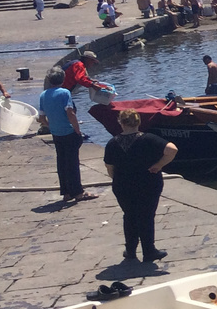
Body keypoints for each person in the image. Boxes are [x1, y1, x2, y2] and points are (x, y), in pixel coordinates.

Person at [103, 108, 176, 263]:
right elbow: (172, 149)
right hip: (147, 183)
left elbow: (109, 167)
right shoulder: (149, 139)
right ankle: (149, 251)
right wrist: (159, 165)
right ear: (138, 122)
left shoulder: (112, 143)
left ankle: (130, 250)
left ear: (121, 123)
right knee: (146, 216)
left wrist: (118, 179)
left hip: (123, 185)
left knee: (129, 215)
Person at [37, 68, 94, 204]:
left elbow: (42, 118)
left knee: (61, 162)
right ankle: (78, 192)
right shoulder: (64, 93)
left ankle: (66, 192)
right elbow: (70, 113)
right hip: (68, 132)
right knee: (72, 162)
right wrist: (77, 130)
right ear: (62, 79)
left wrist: (51, 126)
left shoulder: (43, 95)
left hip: (56, 133)